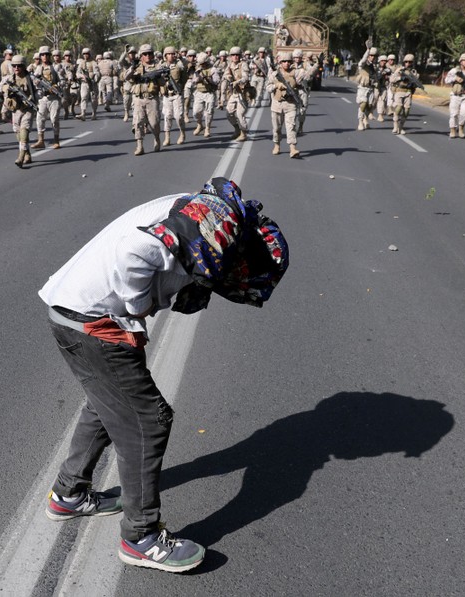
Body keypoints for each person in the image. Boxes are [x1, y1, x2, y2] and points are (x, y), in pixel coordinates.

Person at [38, 177, 289, 574]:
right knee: (147, 421)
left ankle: (69, 494)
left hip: (70, 308)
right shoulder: (213, 229)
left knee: (109, 404)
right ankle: (140, 537)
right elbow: (134, 252)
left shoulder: (211, 216)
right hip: (92, 320)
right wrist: (134, 308)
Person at [125, 44, 164, 156]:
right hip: (138, 98)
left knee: (154, 123)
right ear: (141, 55)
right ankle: (139, 146)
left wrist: (159, 76)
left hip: (152, 99)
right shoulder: (136, 66)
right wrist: (132, 68)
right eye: (145, 54)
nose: (147, 56)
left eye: (150, 53)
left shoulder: (157, 67)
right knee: (138, 123)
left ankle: (156, 138)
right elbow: (127, 77)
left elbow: (162, 83)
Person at [268, 51, 306, 158]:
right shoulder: (274, 73)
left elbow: (303, 81)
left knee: (291, 127)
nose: (286, 64)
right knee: (276, 128)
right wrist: (277, 85)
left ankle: (292, 148)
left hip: (291, 104)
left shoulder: (296, 72)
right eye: (284, 61)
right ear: (280, 63)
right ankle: (277, 145)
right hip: (277, 104)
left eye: (289, 61)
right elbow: (268, 87)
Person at [2, 54, 38, 168]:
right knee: (18, 134)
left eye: (19, 66)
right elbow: (0, 90)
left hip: (27, 109)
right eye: (14, 66)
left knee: (24, 132)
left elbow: (39, 91)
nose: (16, 68)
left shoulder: (30, 78)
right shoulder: (9, 78)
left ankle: (21, 157)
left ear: (23, 66)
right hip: (15, 110)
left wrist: (33, 98)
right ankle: (27, 154)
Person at [31, 46, 64, 150]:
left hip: (54, 97)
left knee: (54, 119)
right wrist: (36, 82)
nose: (44, 57)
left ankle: (56, 140)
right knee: (39, 119)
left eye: (46, 55)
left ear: (49, 56)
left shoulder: (56, 67)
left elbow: (63, 81)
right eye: (42, 55)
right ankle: (41, 140)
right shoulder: (38, 68)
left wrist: (56, 86)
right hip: (43, 98)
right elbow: (33, 80)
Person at [444, 52, 465, 138]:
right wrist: (455, 78)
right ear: (461, 61)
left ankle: (461, 129)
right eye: (464, 60)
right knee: (454, 114)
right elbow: (446, 80)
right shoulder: (454, 70)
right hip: (455, 95)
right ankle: (452, 130)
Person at [160, 46, 187, 146]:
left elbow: (185, 76)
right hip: (167, 95)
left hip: (177, 94)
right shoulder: (161, 66)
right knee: (167, 116)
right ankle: (167, 137)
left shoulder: (179, 65)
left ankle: (182, 133)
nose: (171, 56)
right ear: (165, 56)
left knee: (178, 116)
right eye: (169, 54)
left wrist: (180, 87)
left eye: (172, 54)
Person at [222, 46, 250, 142]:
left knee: (240, 114)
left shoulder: (243, 64)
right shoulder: (229, 65)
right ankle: (237, 129)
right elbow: (225, 75)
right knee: (228, 113)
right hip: (234, 93)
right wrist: (228, 76)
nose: (235, 57)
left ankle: (243, 133)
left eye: (237, 55)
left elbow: (246, 77)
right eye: (233, 55)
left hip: (243, 93)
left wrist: (237, 82)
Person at [191, 52, 219, 138]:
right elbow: (193, 80)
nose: (201, 65)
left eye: (203, 64)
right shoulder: (197, 69)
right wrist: (197, 79)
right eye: (200, 64)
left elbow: (217, 81)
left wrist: (207, 79)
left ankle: (207, 128)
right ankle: (200, 125)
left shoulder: (213, 69)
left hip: (209, 93)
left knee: (208, 112)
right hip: (199, 93)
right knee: (196, 112)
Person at [389, 53, 419, 135]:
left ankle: (400, 127)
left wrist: (414, 83)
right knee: (398, 108)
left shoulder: (414, 72)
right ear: (404, 62)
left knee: (406, 111)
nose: (408, 64)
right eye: (406, 62)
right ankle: (395, 126)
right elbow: (391, 79)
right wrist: (400, 78)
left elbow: (416, 83)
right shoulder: (399, 70)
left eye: (410, 62)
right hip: (399, 91)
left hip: (408, 92)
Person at [356, 47, 378, 131]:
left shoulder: (374, 66)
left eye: (374, 56)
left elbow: (375, 77)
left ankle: (365, 118)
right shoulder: (363, 64)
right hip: (363, 88)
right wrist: (367, 50)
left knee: (369, 106)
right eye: (371, 55)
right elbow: (363, 60)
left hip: (370, 88)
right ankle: (360, 121)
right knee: (363, 104)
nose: (372, 57)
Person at [77, 48, 99, 120]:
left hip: (92, 83)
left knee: (93, 99)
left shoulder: (93, 62)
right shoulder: (82, 63)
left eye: (87, 54)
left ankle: (94, 113)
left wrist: (94, 78)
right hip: (84, 83)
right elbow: (78, 73)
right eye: (84, 54)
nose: (85, 55)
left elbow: (97, 72)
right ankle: (83, 113)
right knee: (83, 97)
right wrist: (82, 76)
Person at [375, 55, 390, 121]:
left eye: (385, 61)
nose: (384, 62)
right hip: (375, 87)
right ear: (379, 61)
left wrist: (387, 76)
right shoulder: (375, 68)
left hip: (383, 87)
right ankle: (370, 112)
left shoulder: (387, 69)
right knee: (373, 101)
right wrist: (381, 74)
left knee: (382, 100)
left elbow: (390, 75)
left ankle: (380, 115)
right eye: (382, 61)